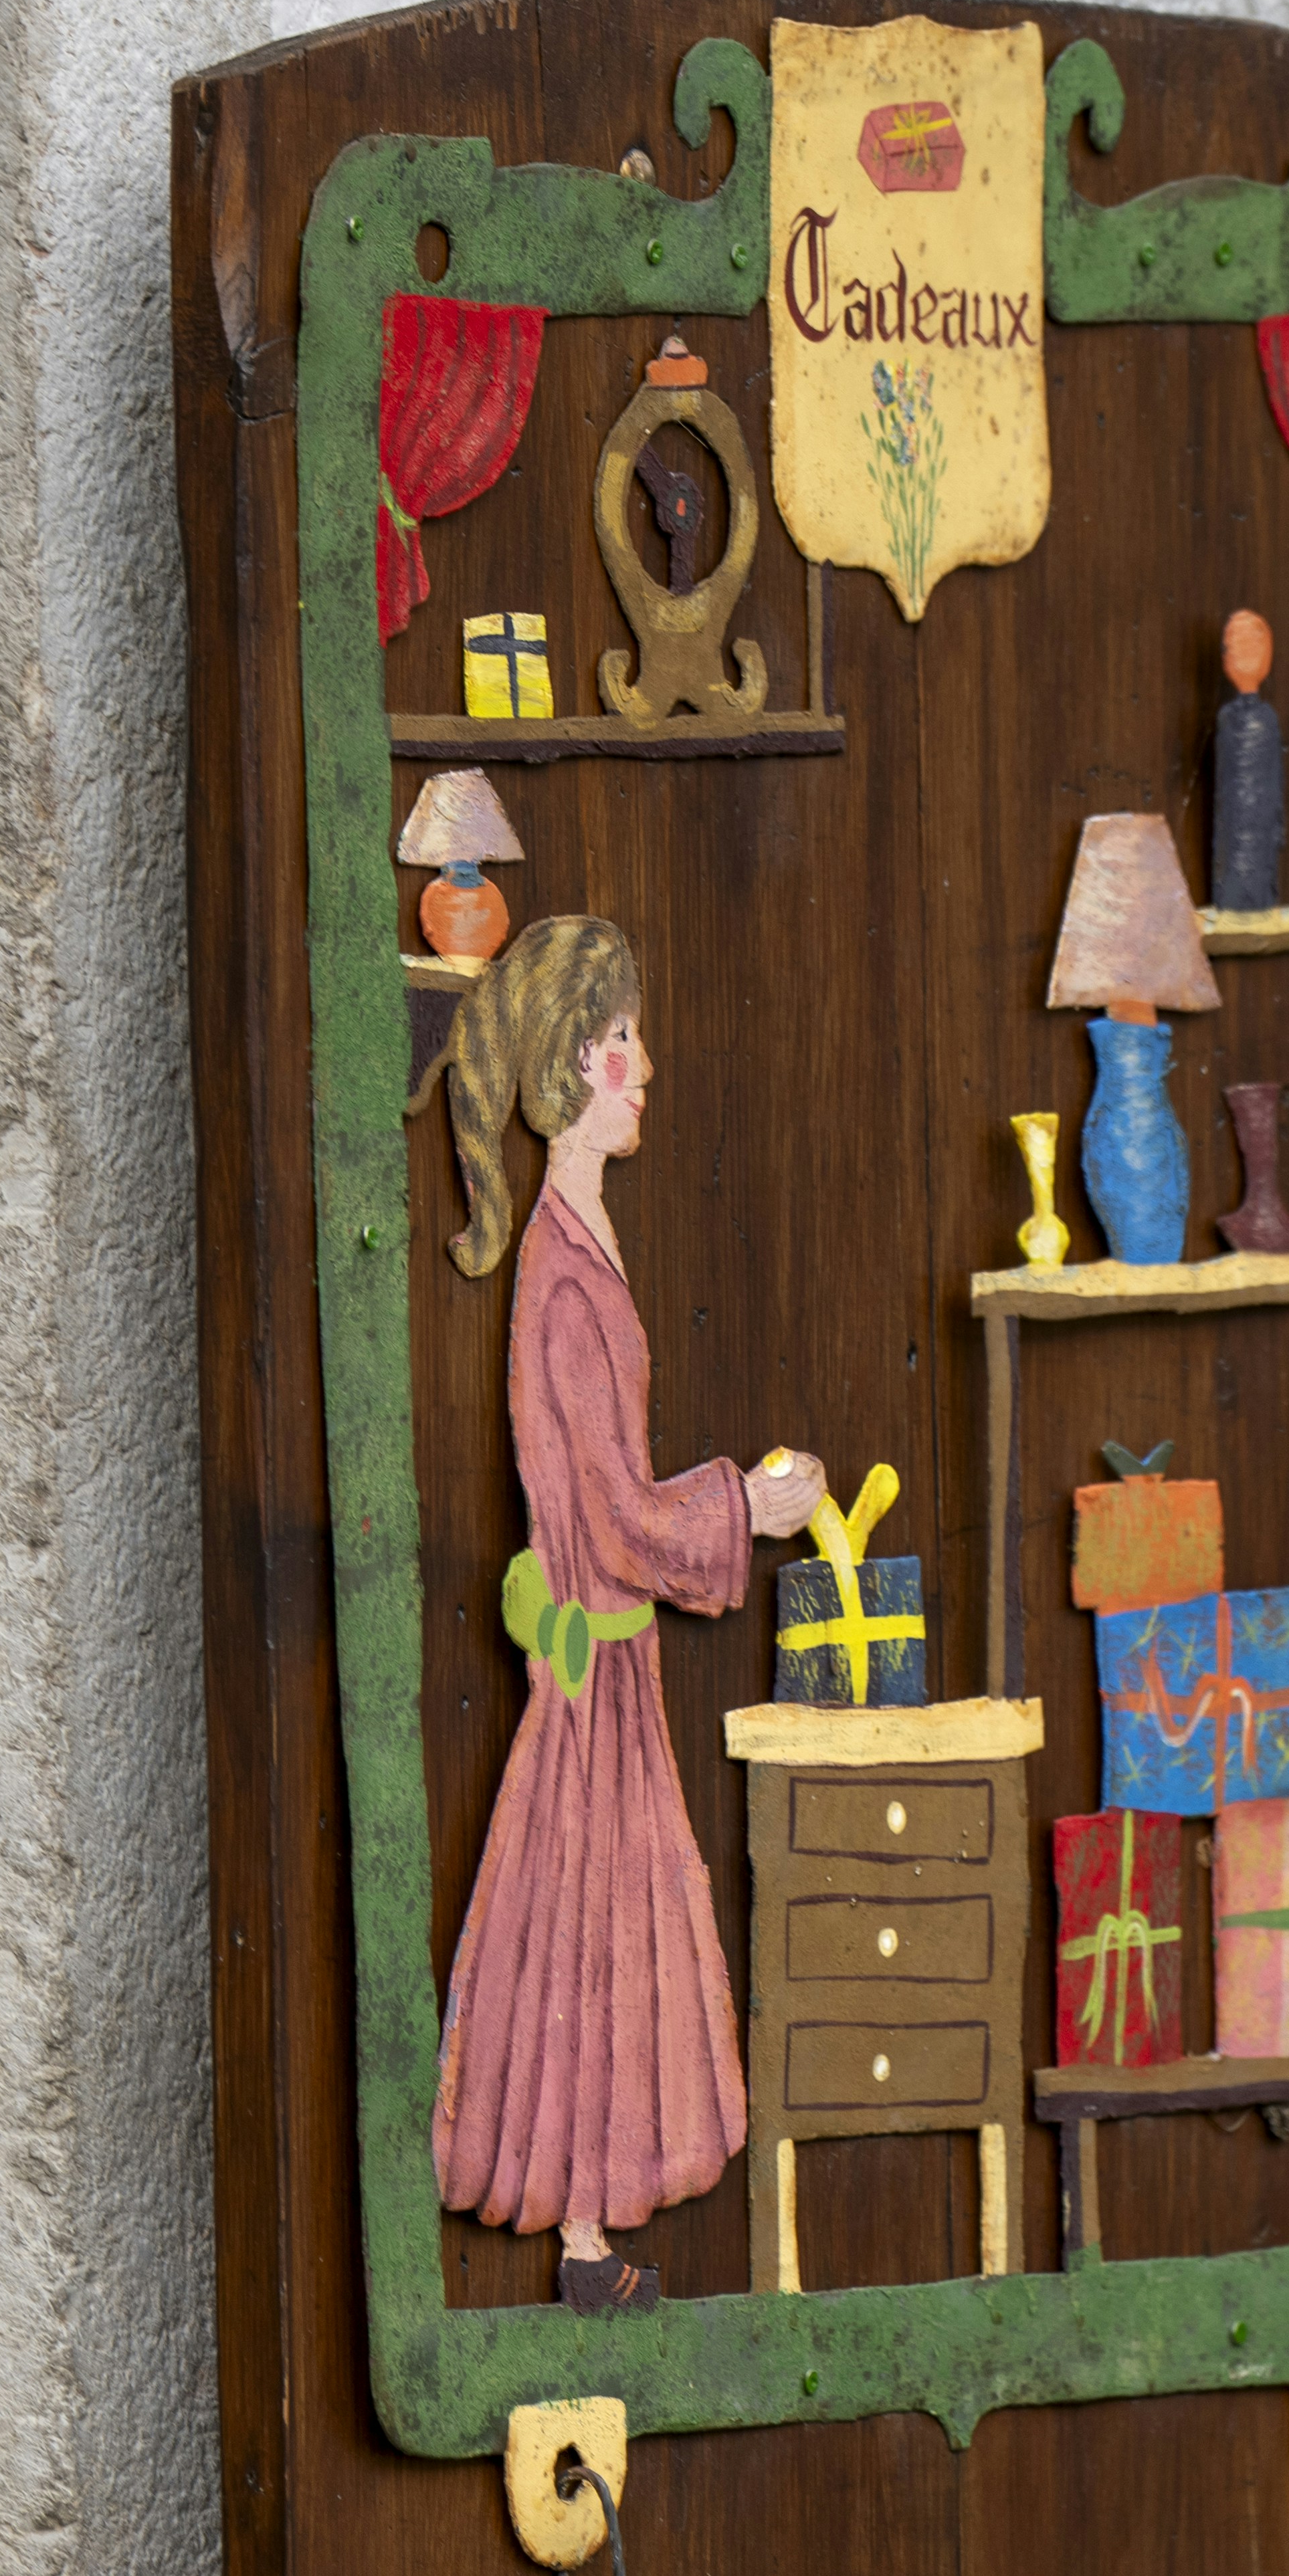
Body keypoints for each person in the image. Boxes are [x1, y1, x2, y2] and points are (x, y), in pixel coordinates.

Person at [429, 915, 818, 2309]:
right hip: (593, 1661)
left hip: (615, 1665)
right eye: (619, 1044)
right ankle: (576, 2237)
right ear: (569, 1070)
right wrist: (745, 1508)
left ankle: (585, 2240)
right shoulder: (558, 1277)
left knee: (607, 1931)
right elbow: (604, 1516)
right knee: (589, 1931)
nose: (642, 1065)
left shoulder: (579, 1239)